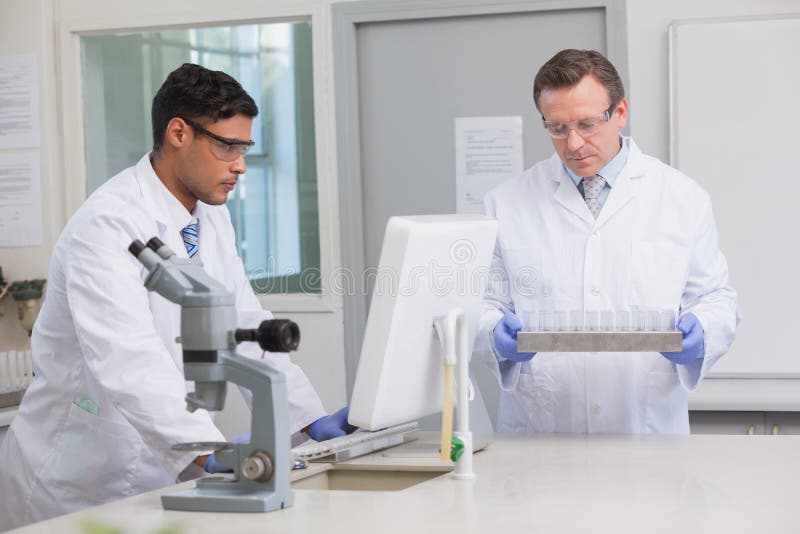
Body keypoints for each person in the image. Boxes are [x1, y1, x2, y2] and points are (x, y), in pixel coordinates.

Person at [0, 63, 355, 530]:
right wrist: (206, 450)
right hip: (78, 480)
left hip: (160, 476)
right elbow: (128, 358)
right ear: (178, 133)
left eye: (245, 148)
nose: (241, 165)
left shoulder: (210, 216)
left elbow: (244, 324)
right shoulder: (106, 224)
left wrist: (310, 421)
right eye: (227, 146)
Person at [474, 49, 739, 434]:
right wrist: (493, 334)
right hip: (540, 438)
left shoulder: (682, 198)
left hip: (645, 434)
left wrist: (702, 328)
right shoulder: (505, 202)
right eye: (557, 128)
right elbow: (483, 303)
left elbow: (716, 298)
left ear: (620, 112)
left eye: (587, 123)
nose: (574, 143)